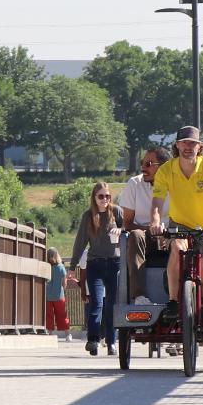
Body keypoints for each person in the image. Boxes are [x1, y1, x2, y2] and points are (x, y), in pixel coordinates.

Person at [148, 126, 203, 349]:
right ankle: (174, 301)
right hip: (180, 225)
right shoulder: (167, 170)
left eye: (192, 143)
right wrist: (156, 221)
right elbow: (157, 203)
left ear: (200, 147)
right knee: (176, 248)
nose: (188, 147)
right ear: (177, 146)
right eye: (184, 143)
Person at [66, 181, 122, 355]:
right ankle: (93, 340)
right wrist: (72, 266)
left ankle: (112, 342)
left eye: (107, 196)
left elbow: (127, 228)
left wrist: (121, 230)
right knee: (96, 303)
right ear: (94, 198)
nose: (104, 199)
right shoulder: (88, 216)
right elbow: (80, 242)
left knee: (112, 304)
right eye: (101, 196)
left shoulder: (117, 212)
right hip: (95, 264)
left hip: (114, 264)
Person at [116, 147, 169, 312]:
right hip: (144, 237)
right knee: (135, 235)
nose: (143, 168)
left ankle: (176, 295)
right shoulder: (135, 184)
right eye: (142, 163)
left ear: (162, 167)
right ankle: (139, 296)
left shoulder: (176, 185)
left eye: (148, 163)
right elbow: (127, 222)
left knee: (182, 240)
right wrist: (150, 230)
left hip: (171, 235)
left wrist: (166, 232)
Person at [44, 249, 71, 340]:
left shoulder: (46, 267)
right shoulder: (61, 267)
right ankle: (67, 335)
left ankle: (50, 333)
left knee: (49, 315)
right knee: (62, 315)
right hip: (59, 295)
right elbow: (64, 284)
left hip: (48, 296)